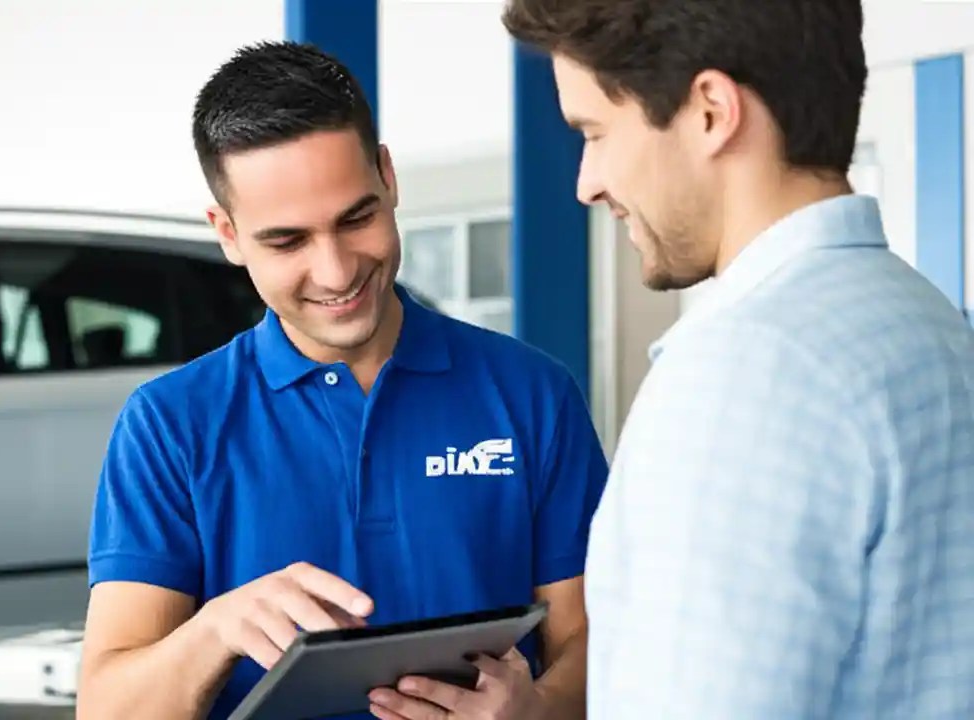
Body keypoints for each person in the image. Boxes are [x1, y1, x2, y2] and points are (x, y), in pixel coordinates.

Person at [75, 40, 608, 720]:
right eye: (287, 241)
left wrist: (535, 711)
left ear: (388, 177)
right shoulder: (170, 426)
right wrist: (215, 629)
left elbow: (592, 642)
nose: (335, 272)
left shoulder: (532, 395)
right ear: (228, 234)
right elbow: (107, 710)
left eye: (356, 218)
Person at [502, 0, 974, 718]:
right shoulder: (927, 326)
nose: (586, 182)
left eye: (595, 133)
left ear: (711, 113)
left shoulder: (739, 383)